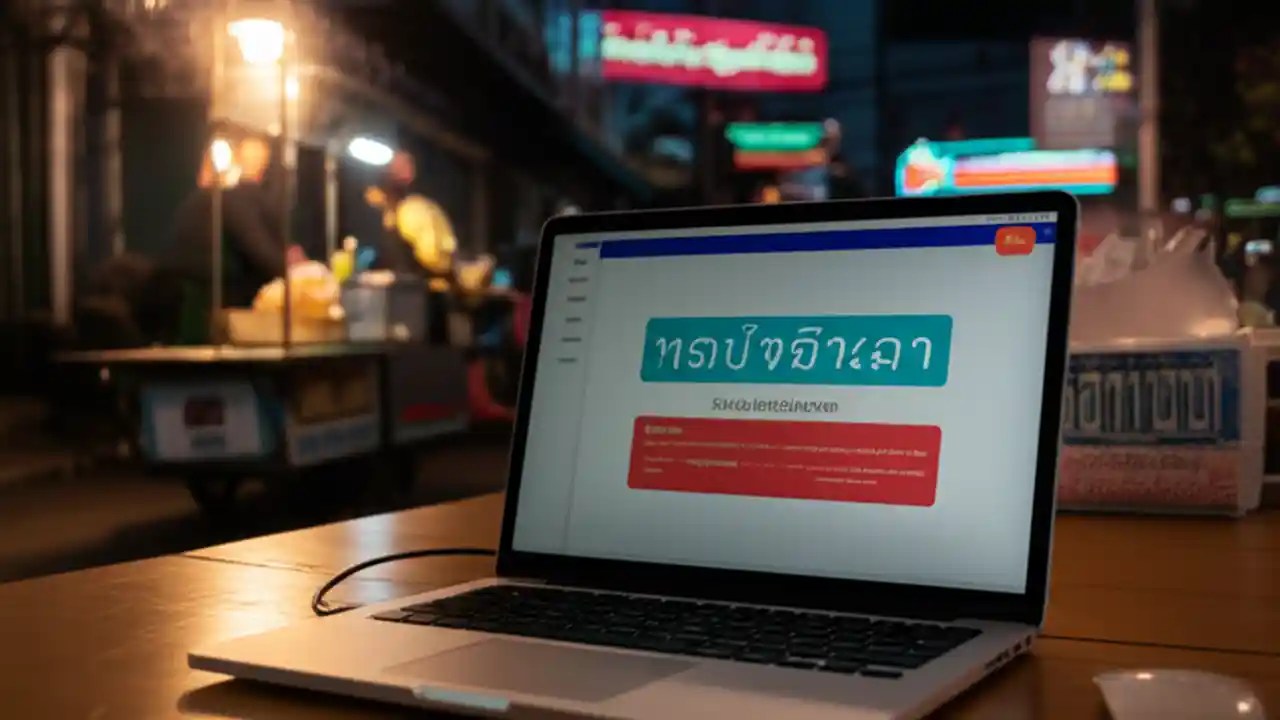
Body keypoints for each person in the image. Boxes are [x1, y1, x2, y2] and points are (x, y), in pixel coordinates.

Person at [154, 133, 290, 343]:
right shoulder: (229, 200)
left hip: (180, 314)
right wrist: (298, 275)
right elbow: (263, 254)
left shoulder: (208, 201)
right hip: (210, 316)